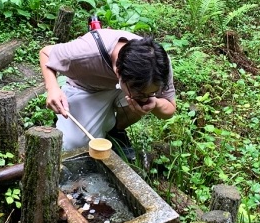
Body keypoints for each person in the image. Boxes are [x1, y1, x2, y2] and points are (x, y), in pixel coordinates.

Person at [40, 29, 176, 153]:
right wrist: (53, 88)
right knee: (74, 145)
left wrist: (155, 103)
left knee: (137, 99)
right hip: (86, 88)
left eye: (150, 93)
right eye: (141, 94)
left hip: (120, 90)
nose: (146, 99)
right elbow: (45, 53)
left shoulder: (158, 66)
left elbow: (169, 109)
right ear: (118, 72)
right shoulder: (86, 52)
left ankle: (115, 131)